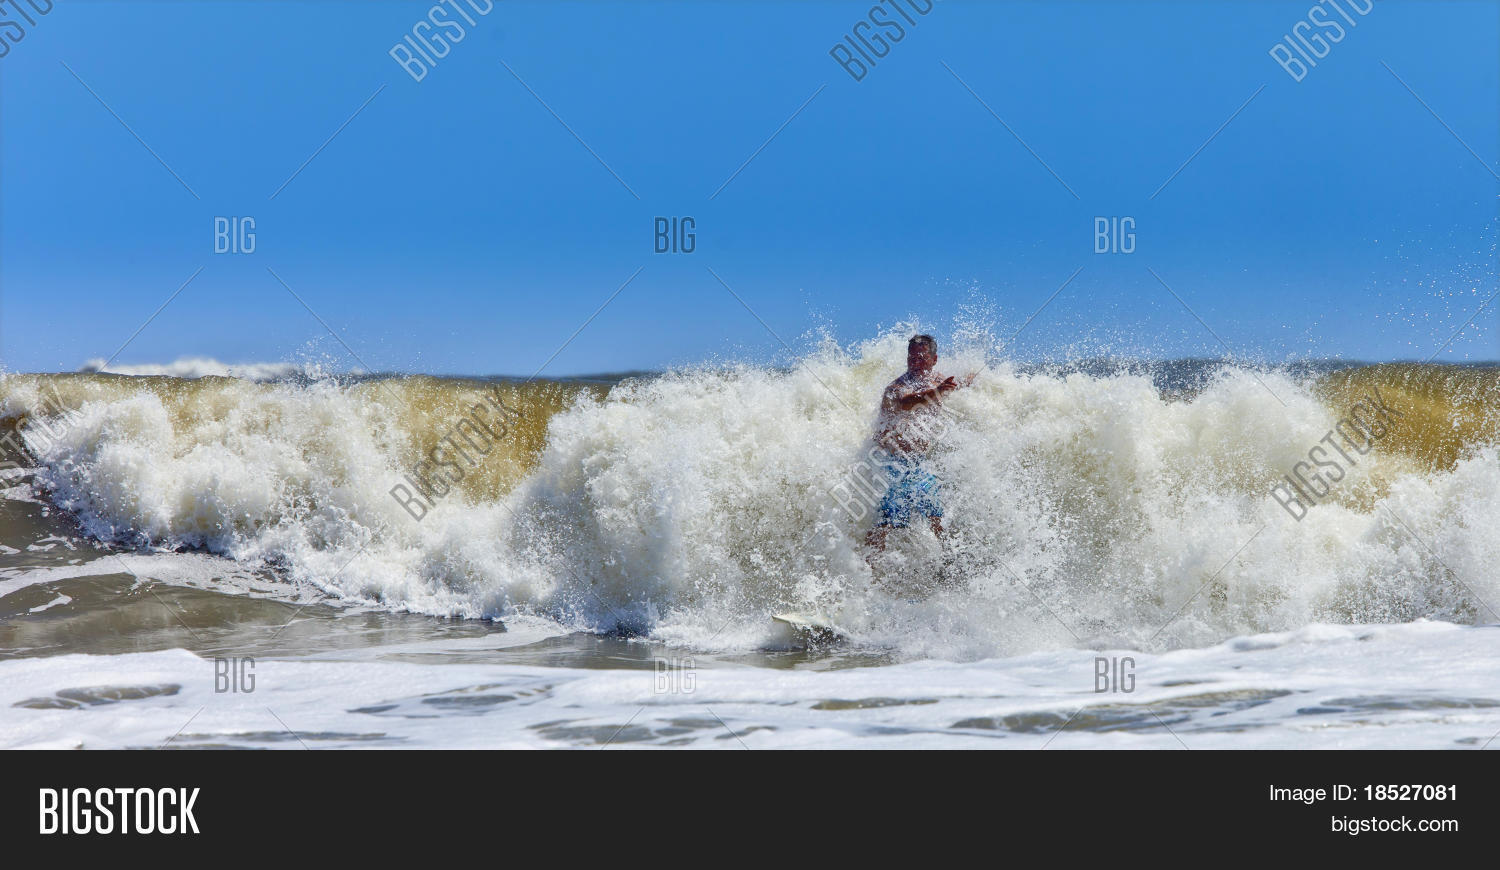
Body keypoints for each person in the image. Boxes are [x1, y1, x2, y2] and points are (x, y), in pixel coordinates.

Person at [865, 335, 974, 558]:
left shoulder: (938, 381)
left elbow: (957, 384)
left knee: (935, 516)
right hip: (891, 462)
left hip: (918, 463)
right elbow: (906, 402)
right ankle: (867, 573)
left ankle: (951, 563)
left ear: (934, 359)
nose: (914, 362)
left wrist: (975, 378)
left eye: (921, 357)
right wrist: (937, 392)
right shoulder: (896, 388)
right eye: (911, 357)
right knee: (886, 520)